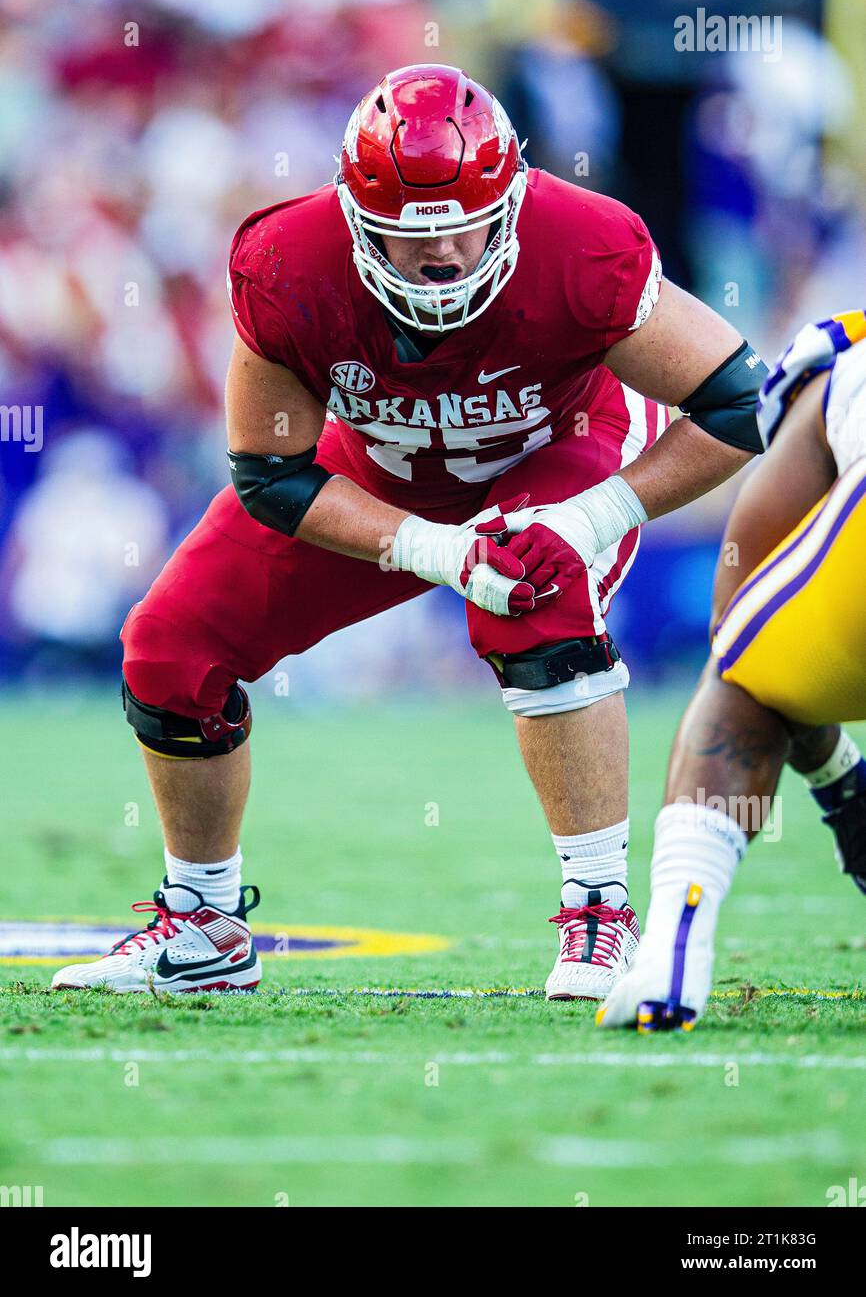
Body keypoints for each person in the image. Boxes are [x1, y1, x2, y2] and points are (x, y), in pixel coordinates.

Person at [52, 64, 766, 997]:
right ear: (354, 219)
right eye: (408, 237)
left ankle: (600, 915)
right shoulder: (287, 263)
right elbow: (271, 473)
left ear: (513, 198)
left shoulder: (583, 246)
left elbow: (739, 401)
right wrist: (431, 546)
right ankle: (204, 925)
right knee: (170, 647)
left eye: (469, 226)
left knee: (531, 591)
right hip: (378, 466)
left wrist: (596, 514)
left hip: (558, 451)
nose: (445, 259)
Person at [599, 310, 866, 1032]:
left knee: (740, 675)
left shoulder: (837, 366)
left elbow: (737, 635)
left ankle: (672, 957)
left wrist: (844, 791)